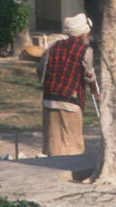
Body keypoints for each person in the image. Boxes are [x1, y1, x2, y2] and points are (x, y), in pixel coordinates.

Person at [37, 14, 100, 156]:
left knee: (54, 146)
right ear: (83, 34)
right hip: (70, 103)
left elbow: (41, 69)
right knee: (72, 146)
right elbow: (89, 76)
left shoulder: (53, 46)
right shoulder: (85, 51)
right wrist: (95, 94)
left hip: (49, 100)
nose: (88, 36)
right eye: (88, 34)